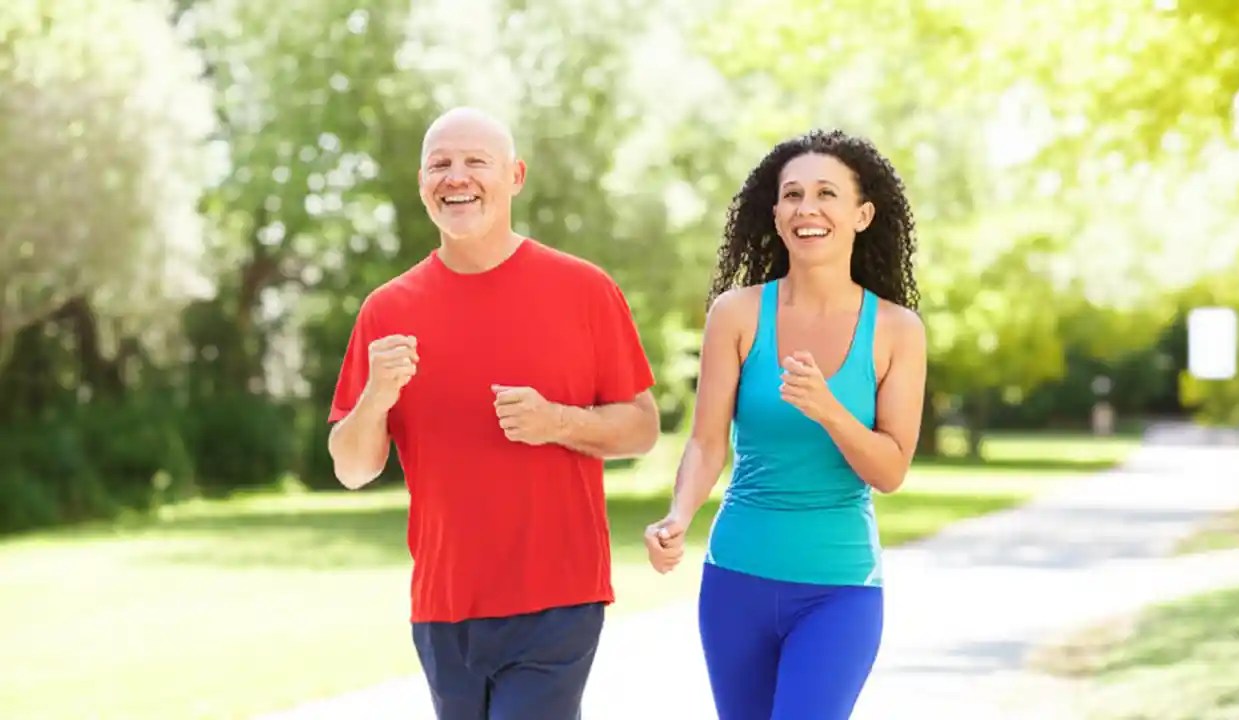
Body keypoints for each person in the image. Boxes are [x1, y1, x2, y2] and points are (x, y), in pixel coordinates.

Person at [327, 106, 660, 720]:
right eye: (440, 165)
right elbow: (352, 468)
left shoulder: (583, 290)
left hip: (556, 594)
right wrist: (375, 396)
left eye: (475, 162)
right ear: (422, 184)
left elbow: (641, 427)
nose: (457, 177)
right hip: (443, 605)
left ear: (516, 176)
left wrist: (558, 421)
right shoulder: (386, 310)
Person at [644, 128, 927, 719]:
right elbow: (705, 442)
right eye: (793, 195)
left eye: (827, 193)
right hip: (736, 581)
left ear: (862, 213)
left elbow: (891, 469)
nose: (808, 208)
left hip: (839, 589)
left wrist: (829, 409)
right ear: (775, 215)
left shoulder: (897, 330)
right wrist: (678, 516)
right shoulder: (738, 314)